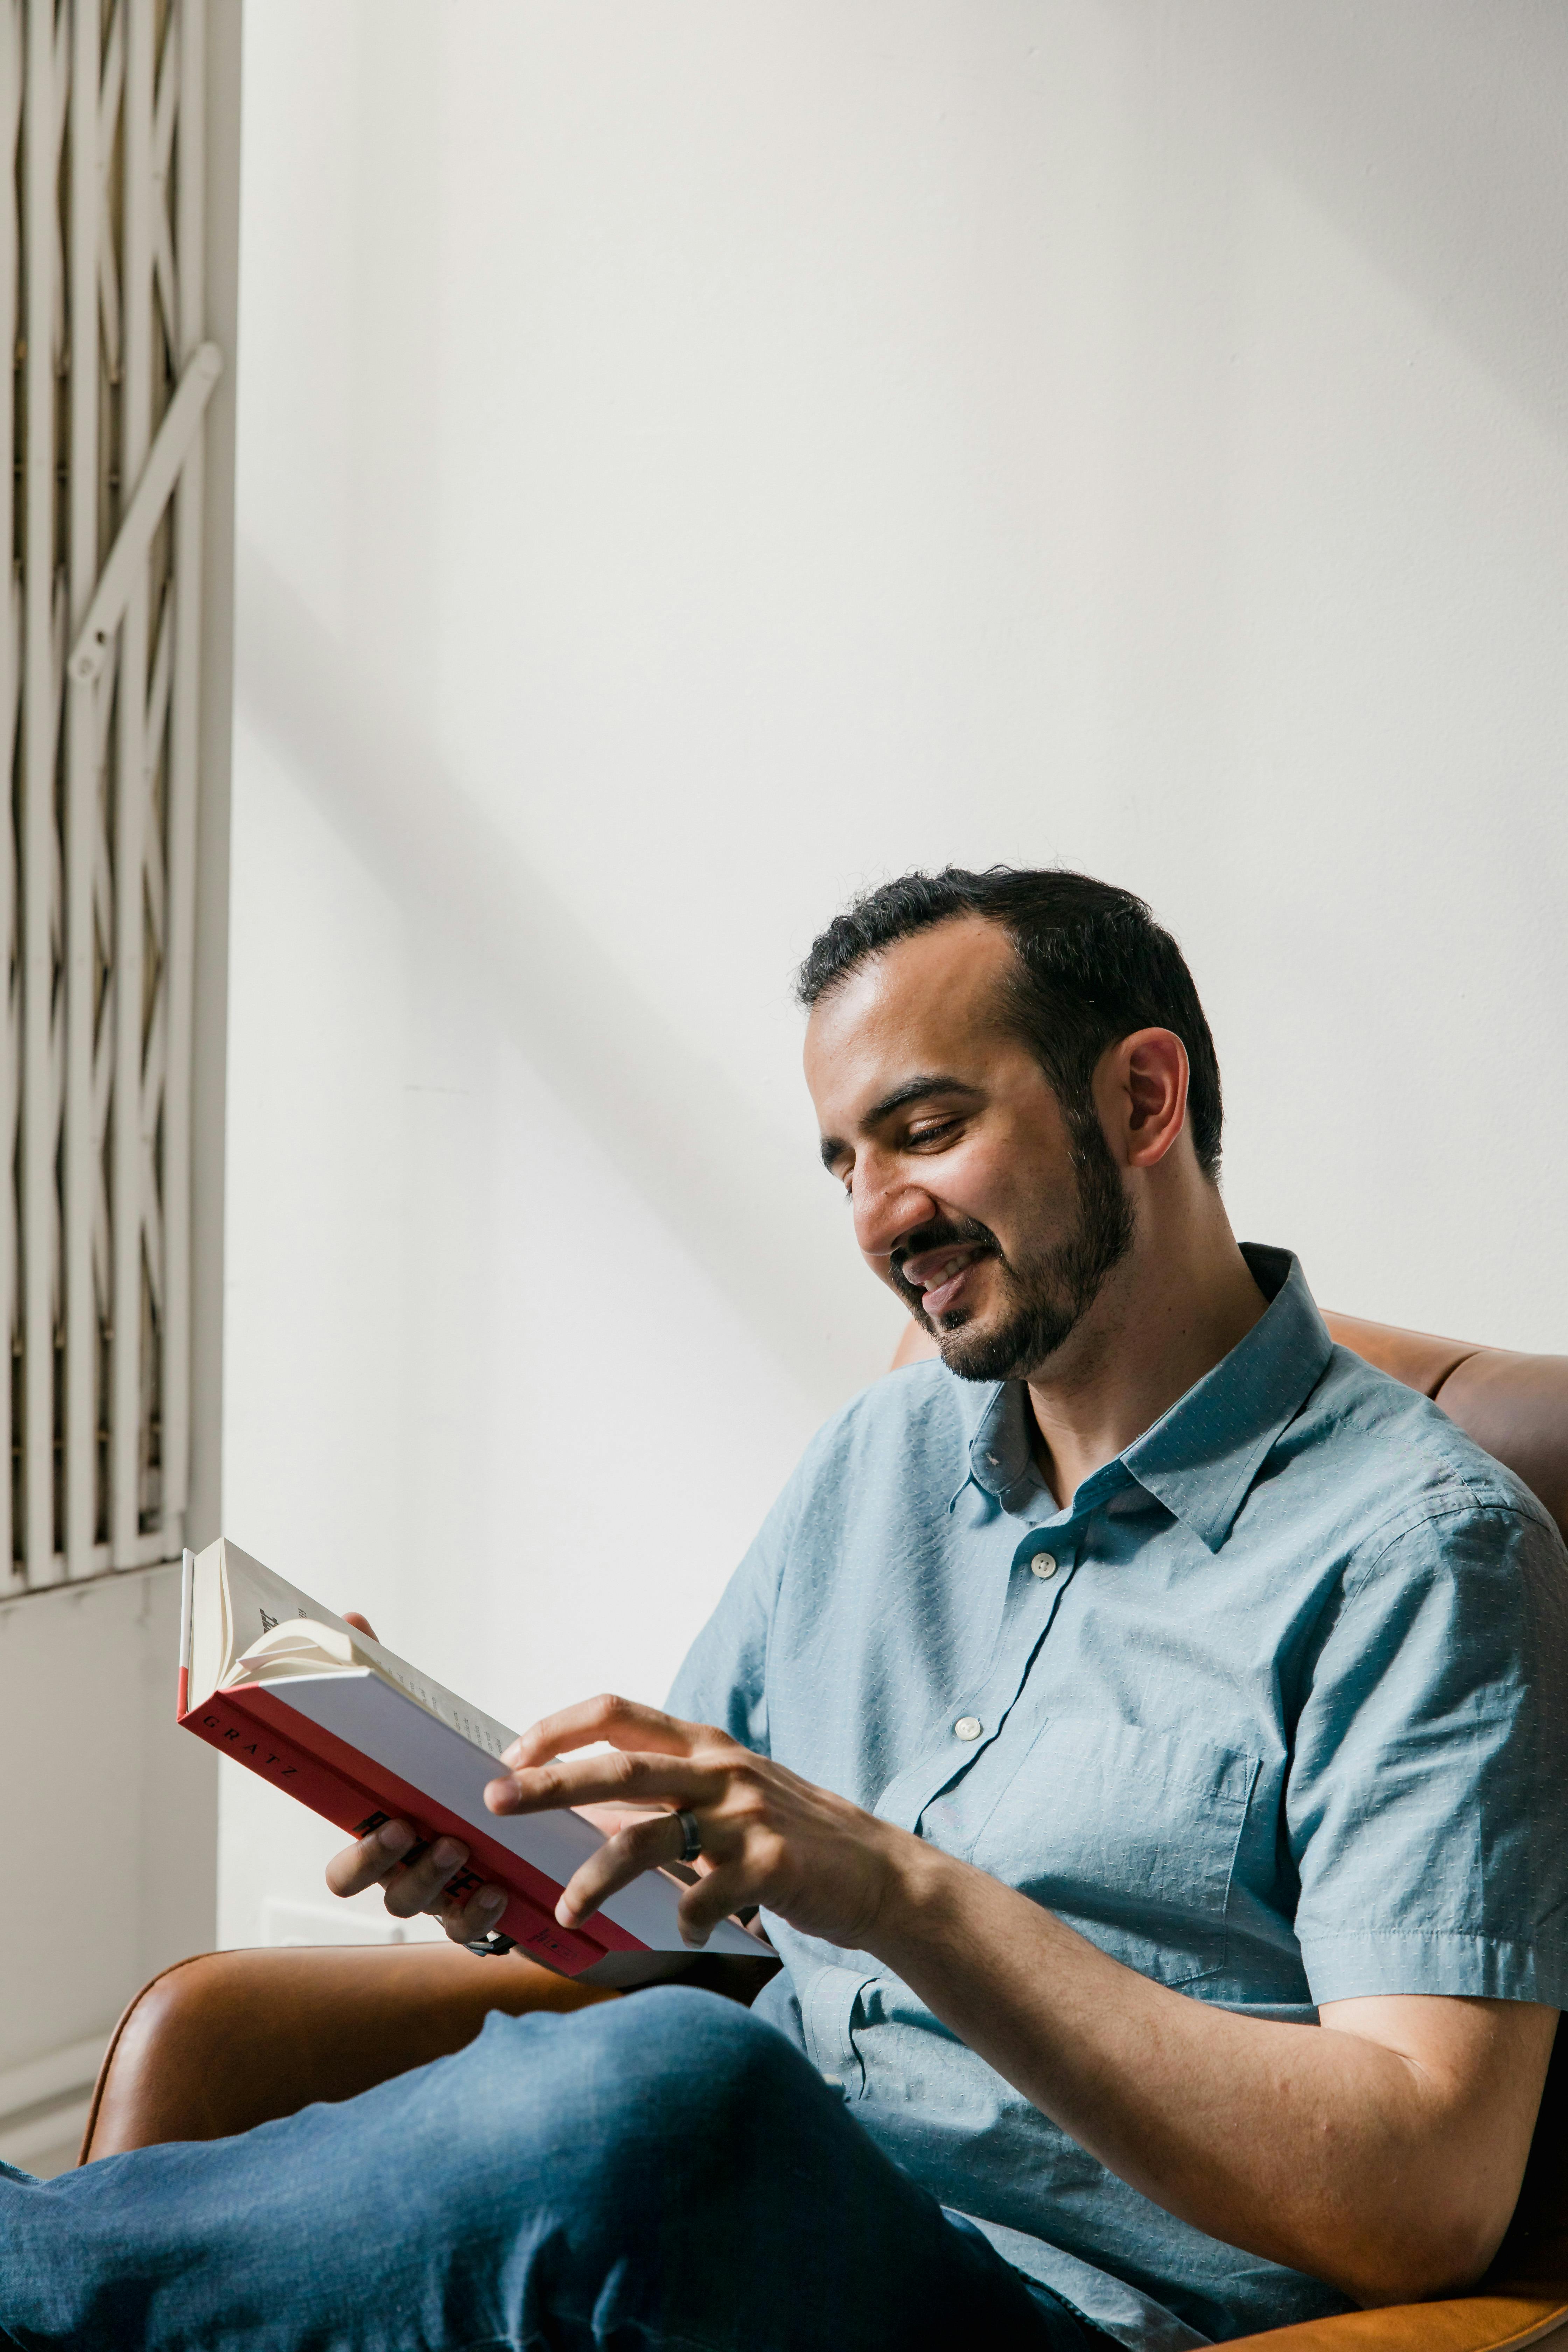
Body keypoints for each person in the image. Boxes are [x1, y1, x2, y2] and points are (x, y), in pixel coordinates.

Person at [5, 867, 1565, 2352]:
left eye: (927, 1129)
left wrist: (901, 1892)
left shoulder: (1422, 1553)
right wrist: (518, 1867)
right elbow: (721, 1914)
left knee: (665, 2092)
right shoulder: (882, 1459)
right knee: (630, 2069)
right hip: (736, 2241)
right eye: (842, 1163)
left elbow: (1426, 2192)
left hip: (1067, 2315)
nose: (884, 1216)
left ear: (1141, 1101)